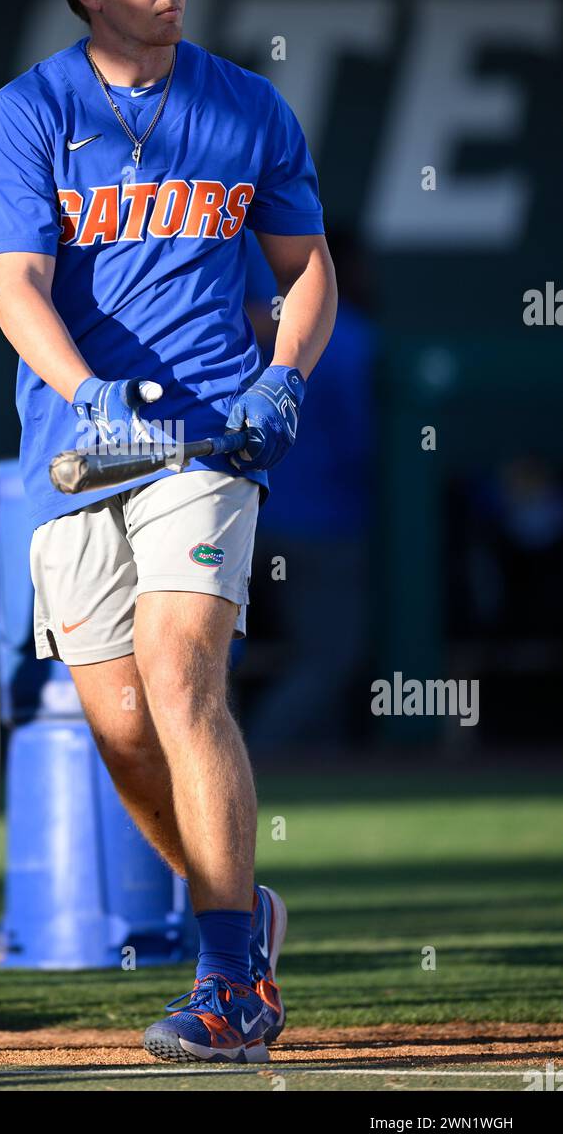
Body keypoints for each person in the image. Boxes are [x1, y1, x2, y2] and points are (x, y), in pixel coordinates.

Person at [0, 0, 337, 1063]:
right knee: (118, 726)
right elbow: (15, 285)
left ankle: (230, 986)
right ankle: (240, 912)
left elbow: (306, 264)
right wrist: (82, 390)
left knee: (183, 682)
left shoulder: (247, 106)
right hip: (79, 448)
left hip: (209, 441)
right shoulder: (28, 113)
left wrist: (283, 371)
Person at [242, 227, 375, 754]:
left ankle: (305, 763)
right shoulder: (354, 339)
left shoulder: (254, 334)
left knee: (217, 653)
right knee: (330, 657)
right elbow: (364, 446)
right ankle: (258, 757)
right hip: (321, 529)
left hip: (248, 516)